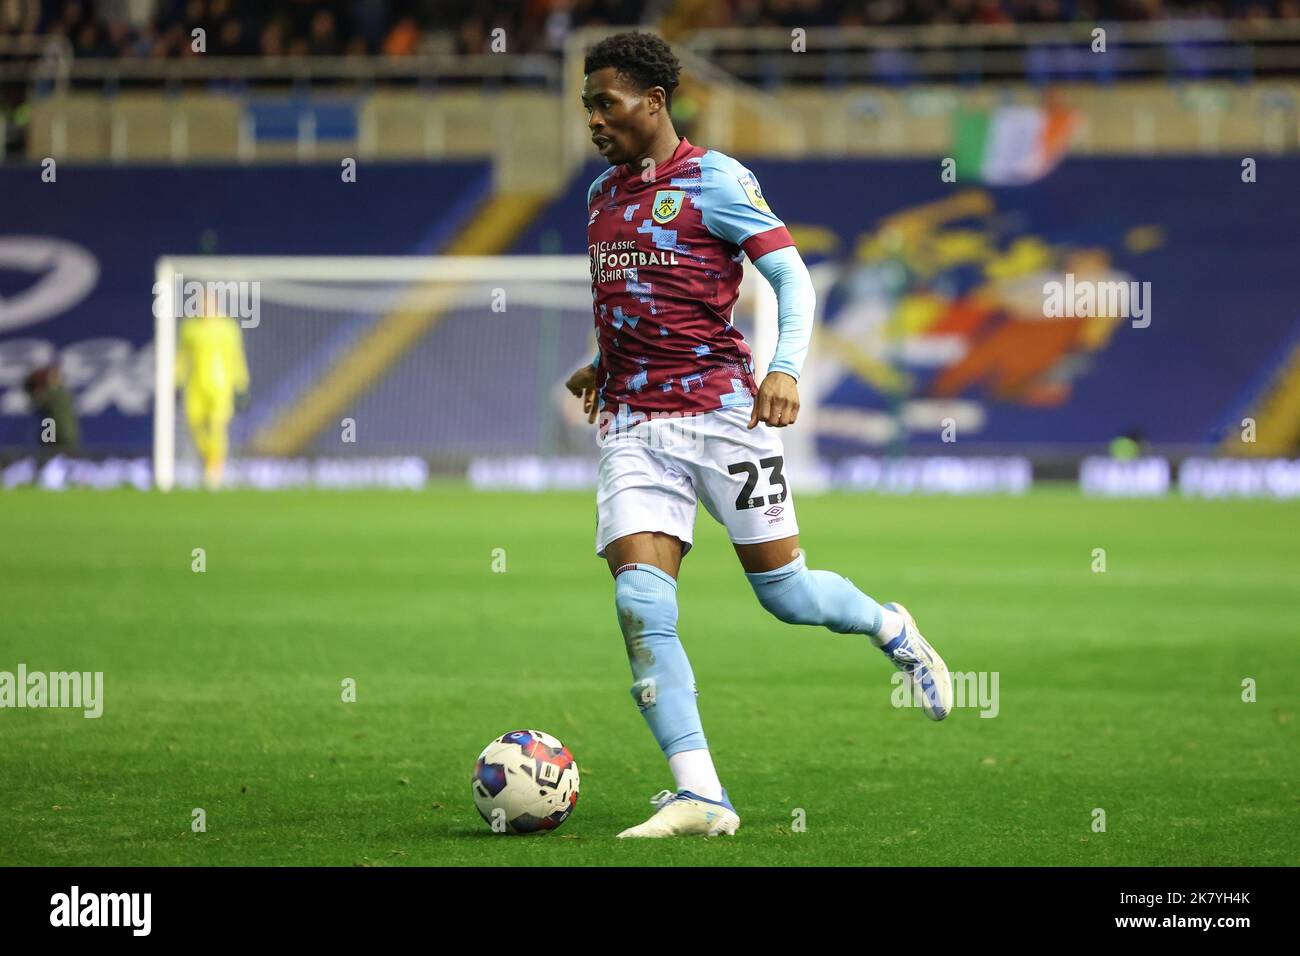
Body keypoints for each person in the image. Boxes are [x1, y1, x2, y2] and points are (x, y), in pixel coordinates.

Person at [564, 31, 953, 839]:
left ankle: (891, 627)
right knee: (640, 600)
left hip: (721, 417)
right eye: (588, 105)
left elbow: (791, 276)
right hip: (634, 424)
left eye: (607, 102)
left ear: (655, 101)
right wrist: (604, 361)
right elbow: (641, 292)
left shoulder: (717, 179)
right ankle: (701, 794)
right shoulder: (602, 195)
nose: (594, 118)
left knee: (788, 595)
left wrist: (784, 368)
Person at [175, 292, 249, 489]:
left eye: (209, 304)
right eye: (202, 304)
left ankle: (214, 468)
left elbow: (236, 357)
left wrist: (241, 384)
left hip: (222, 386)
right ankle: (210, 459)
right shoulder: (190, 328)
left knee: (217, 426)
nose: (205, 308)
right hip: (196, 386)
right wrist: (177, 381)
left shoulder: (228, 328)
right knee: (196, 425)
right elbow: (183, 357)